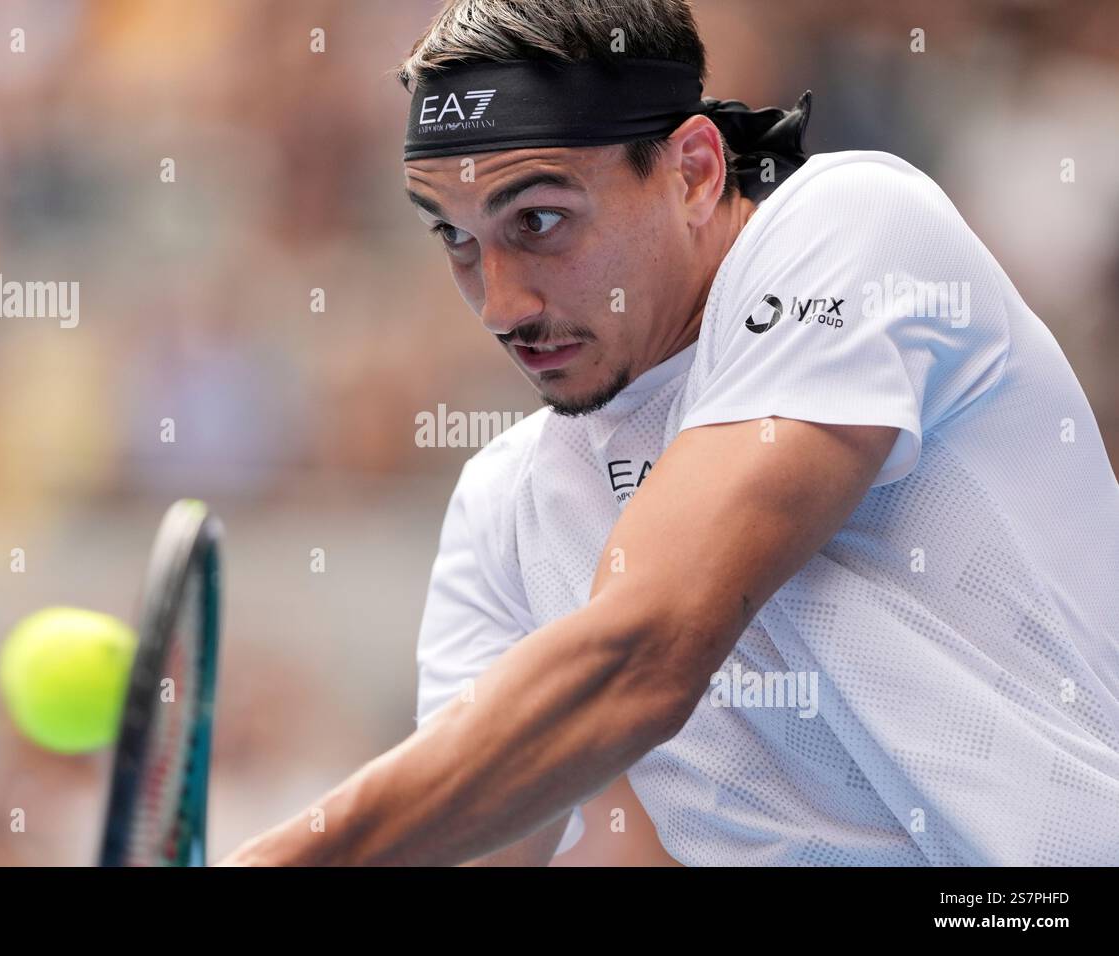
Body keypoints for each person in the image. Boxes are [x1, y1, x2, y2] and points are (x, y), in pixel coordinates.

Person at [222, 0, 1119, 866]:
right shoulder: (506, 510)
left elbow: (646, 652)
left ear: (693, 171)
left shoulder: (857, 228)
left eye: (539, 221)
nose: (500, 305)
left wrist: (287, 858)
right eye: (457, 239)